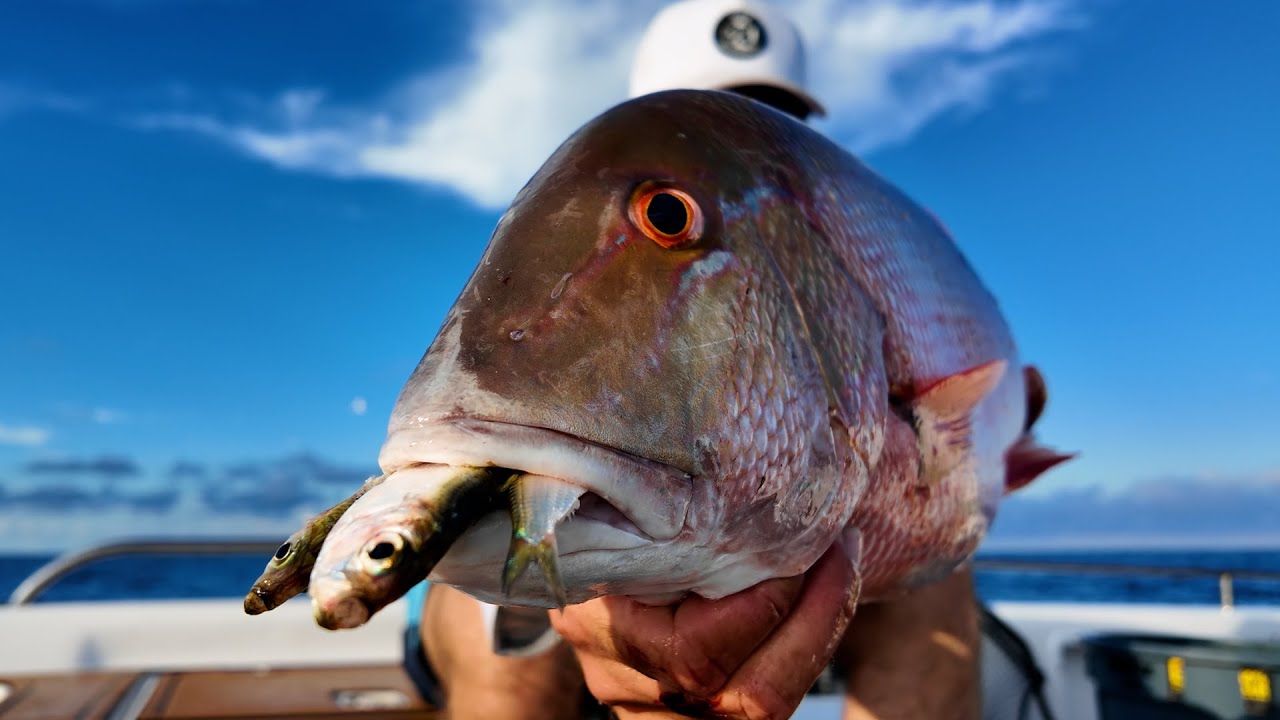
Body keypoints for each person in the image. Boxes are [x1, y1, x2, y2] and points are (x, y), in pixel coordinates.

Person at [406, 2, 1051, 718]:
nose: (733, 129)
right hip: (594, 501)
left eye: (770, 115)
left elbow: (954, 423)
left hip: (829, 528)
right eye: (697, 108)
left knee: (932, 604)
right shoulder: (564, 238)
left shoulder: (861, 238)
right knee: (490, 610)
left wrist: (988, 438)